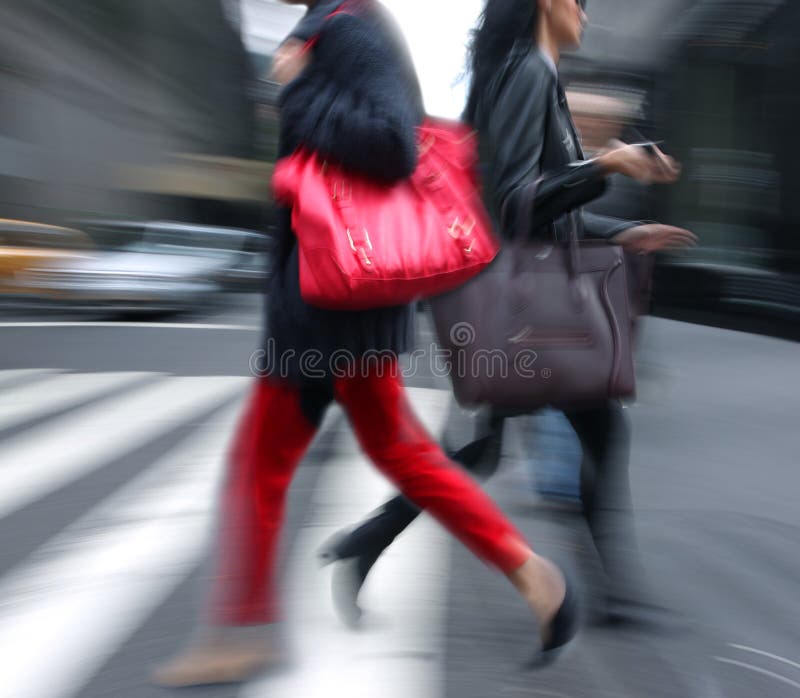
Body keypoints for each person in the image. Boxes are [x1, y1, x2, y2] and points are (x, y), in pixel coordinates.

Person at [152, 0, 579, 687]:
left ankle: (237, 633)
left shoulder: (347, 28)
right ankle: (534, 575)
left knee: (260, 466)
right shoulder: (337, 27)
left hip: (322, 311)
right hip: (343, 309)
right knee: (401, 452)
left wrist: (300, 92)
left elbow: (391, 144)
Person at [320, 0, 696, 629]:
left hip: (517, 298)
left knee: (486, 449)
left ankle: (367, 543)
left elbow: (545, 210)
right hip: (522, 304)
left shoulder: (530, 73)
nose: (586, 14)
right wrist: (605, 164)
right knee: (576, 436)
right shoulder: (530, 74)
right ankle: (613, 596)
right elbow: (519, 202)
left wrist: (628, 230)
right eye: (580, 2)